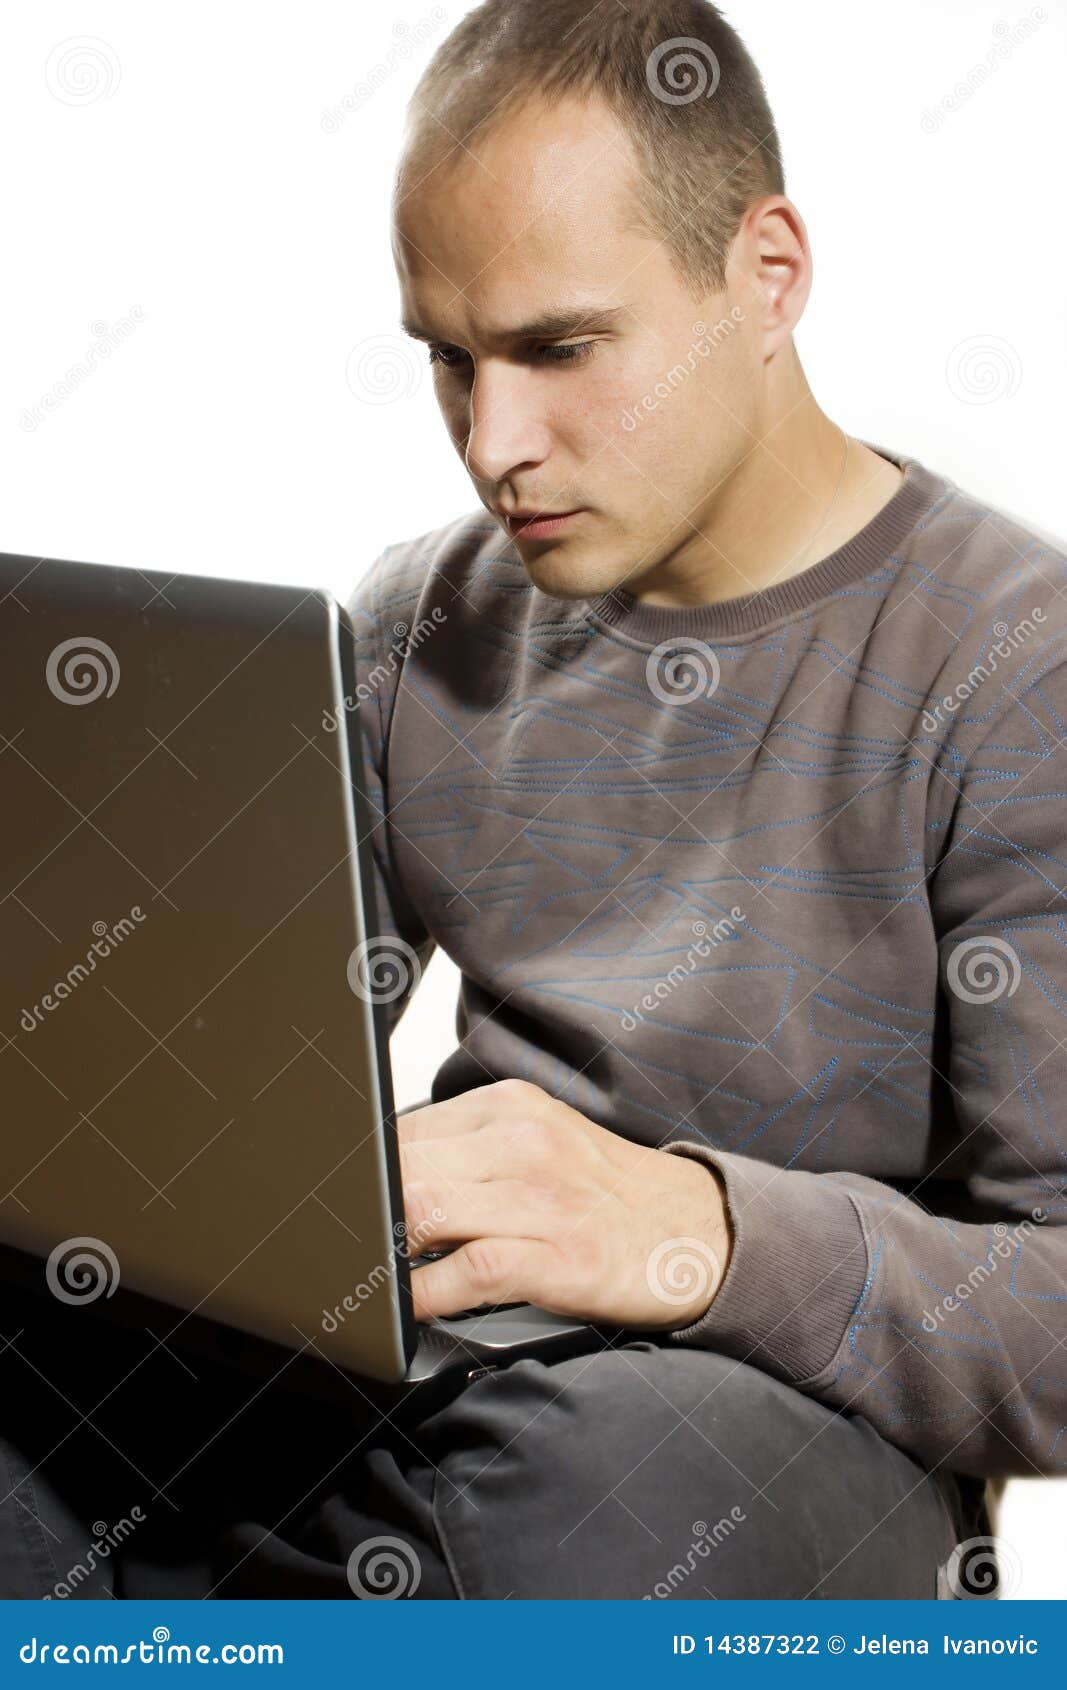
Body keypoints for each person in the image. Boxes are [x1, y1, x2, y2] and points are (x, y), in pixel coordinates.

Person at [2, 0, 1063, 1599]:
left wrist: (692, 1229)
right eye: (449, 357)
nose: (495, 445)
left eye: (560, 349)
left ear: (768, 275)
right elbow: (226, 1094)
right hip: (448, 1358)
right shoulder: (423, 618)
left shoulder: (1016, 669)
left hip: (762, 1426)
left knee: (594, 1494)